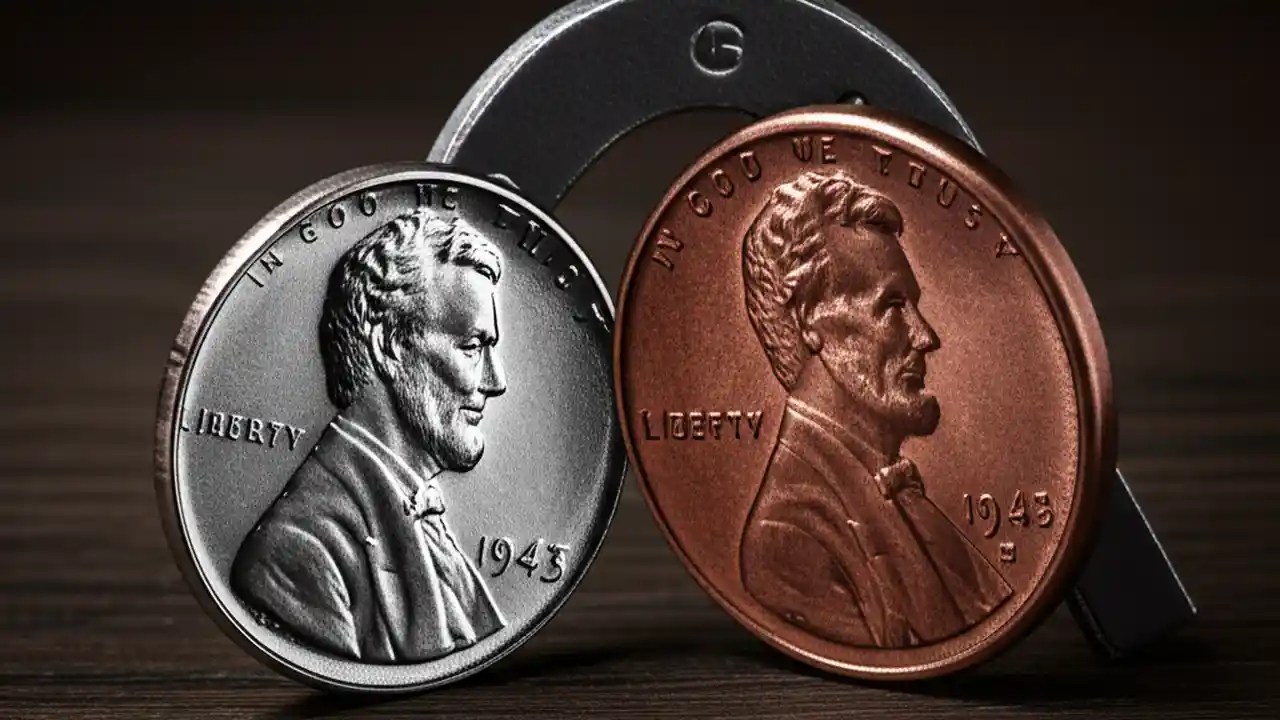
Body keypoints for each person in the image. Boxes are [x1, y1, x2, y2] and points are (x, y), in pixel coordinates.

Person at [739, 170, 1013, 649]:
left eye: (913, 305)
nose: (926, 337)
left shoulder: (899, 492)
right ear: (809, 319)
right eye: (890, 306)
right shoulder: (789, 537)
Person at [231, 208, 508, 662]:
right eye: (472, 348)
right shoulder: (298, 550)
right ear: (388, 344)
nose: (497, 381)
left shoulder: (422, 518)